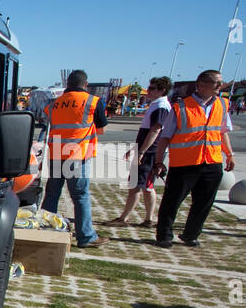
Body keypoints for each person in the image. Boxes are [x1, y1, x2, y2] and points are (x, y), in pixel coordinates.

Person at [152, 69, 235, 248]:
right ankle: (164, 235)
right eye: (217, 83)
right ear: (201, 85)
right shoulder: (181, 107)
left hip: (212, 162)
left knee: (204, 203)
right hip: (184, 164)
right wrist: (159, 162)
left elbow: (222, 133)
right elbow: (165, 137)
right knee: (172, 202)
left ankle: (191, 234)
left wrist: (229, 154)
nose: (220, 86)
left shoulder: (222, 105)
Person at [41, 70, 109, 248]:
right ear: (86, 84)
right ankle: (86, 236)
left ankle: (45, 229)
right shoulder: (93, 101)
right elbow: (101, 128)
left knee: (52, 194)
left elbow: (47, 119)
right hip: (77, 156)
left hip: (56, 154)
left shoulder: (55, 103)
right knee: (80, 196)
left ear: (67, 84)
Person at [106, 76, 172, 228]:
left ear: (162, 90)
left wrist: (142, 151)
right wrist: (135, 149)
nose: (149, 91)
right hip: (148, 151)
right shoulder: (156, 105)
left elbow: (155, 130)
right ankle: (145, 218)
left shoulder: (161, 106)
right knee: (144, 185)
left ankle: (127, 218)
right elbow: (148, 131)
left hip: (150, 153)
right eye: (149, 88)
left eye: (152, 88)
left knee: (138, 185)